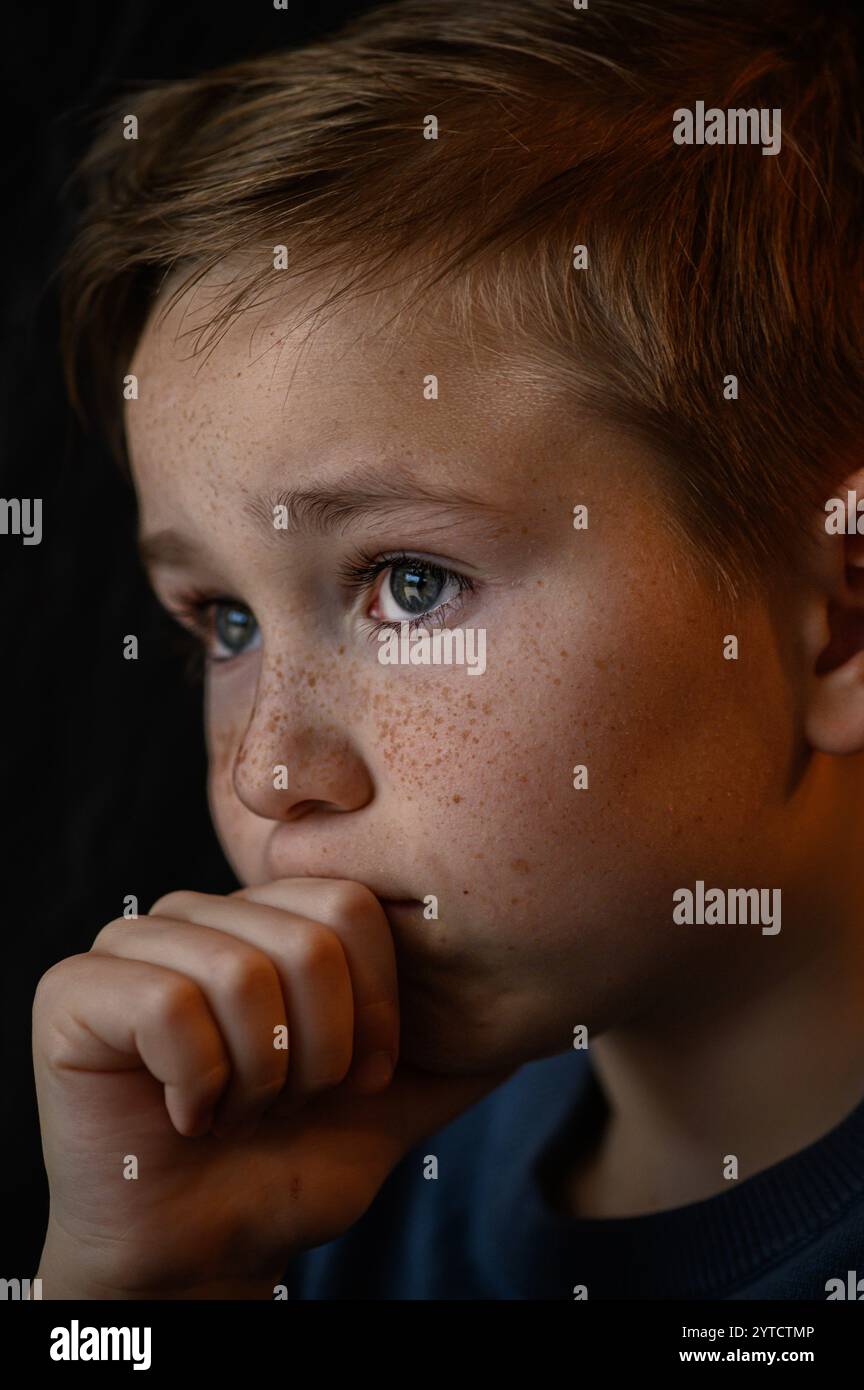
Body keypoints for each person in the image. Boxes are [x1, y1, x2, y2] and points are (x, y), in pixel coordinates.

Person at [34, 0, 864, 1299]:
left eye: (409, 585)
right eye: (226, 621)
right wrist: (147, 1285)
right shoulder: (315, 1186)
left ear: (841, 621)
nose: (269, 772)